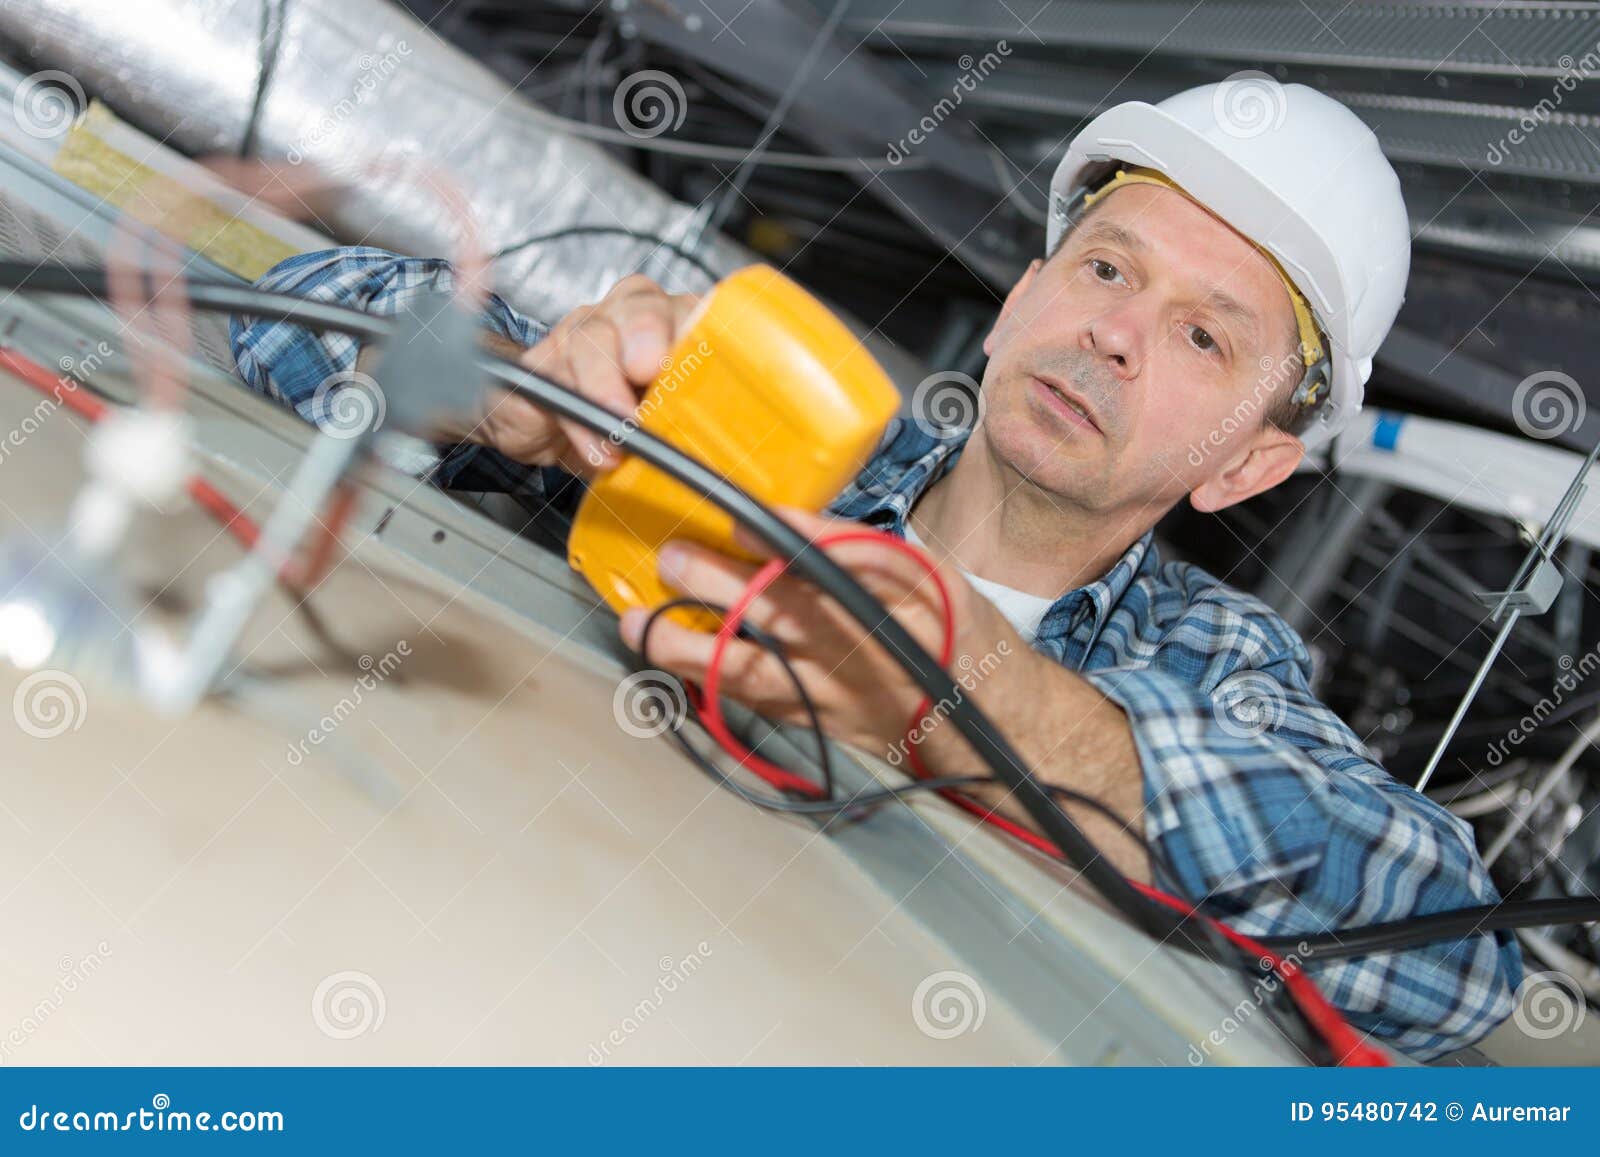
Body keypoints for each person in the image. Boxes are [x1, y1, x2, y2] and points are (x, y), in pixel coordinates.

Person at [230, 80, 1520, 1060]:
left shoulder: (1206, 660)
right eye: (1108, 267)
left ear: (1246, 466)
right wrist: (501, 394)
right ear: (1021, 302)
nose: (1114, 334)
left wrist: (972, 697)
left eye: (1200, 334)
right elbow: (290, 306)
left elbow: (1454, 954)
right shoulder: (771, 428)